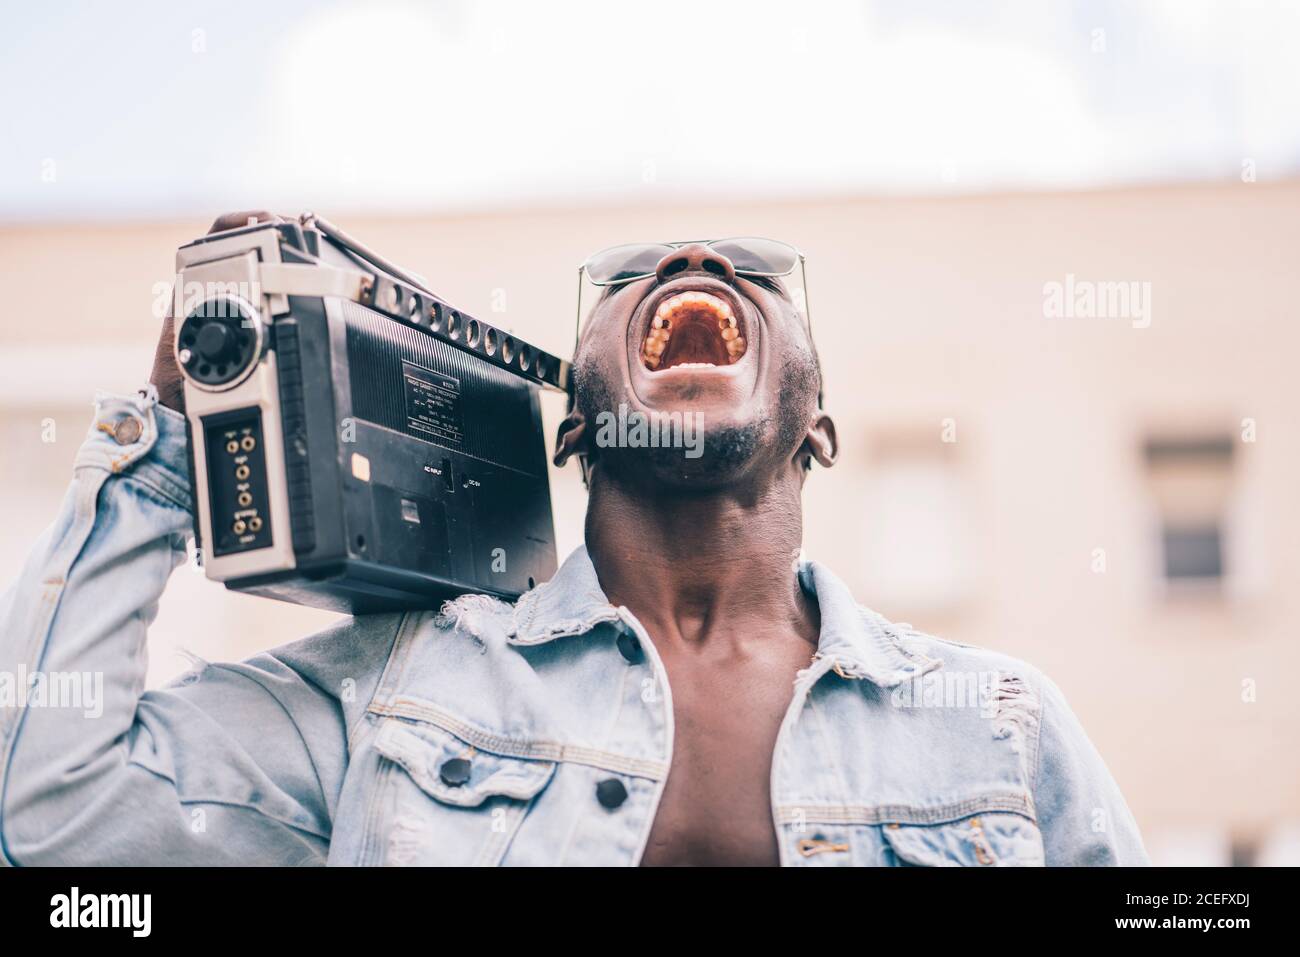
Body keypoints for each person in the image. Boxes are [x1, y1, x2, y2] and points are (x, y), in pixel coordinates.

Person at [0, 212, 1148, 866]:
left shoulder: (999, 725)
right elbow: (53, 809)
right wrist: (163, 453)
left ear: (820, 429)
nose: (695, 265)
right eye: (631, 278)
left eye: (752, 276)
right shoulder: (399, 688)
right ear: (568, 434)